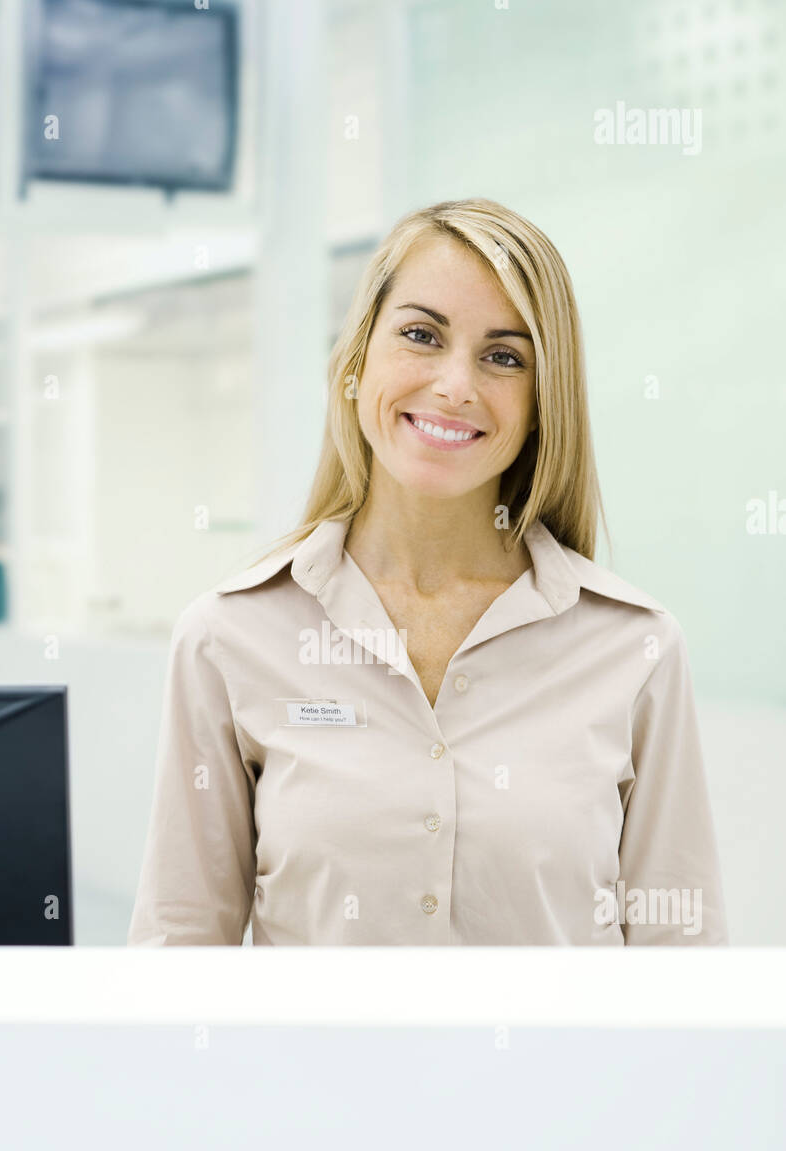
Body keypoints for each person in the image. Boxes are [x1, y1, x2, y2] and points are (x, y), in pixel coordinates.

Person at [127, 197, 728, 947]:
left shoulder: (634, 647)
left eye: (503, 356)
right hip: (306, 1072)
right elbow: (180, 946)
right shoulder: (229, 636)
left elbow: (682, 965)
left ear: (542, 404)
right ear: (354, 364)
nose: (454, 385)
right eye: (420, 335)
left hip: (557, 1072)